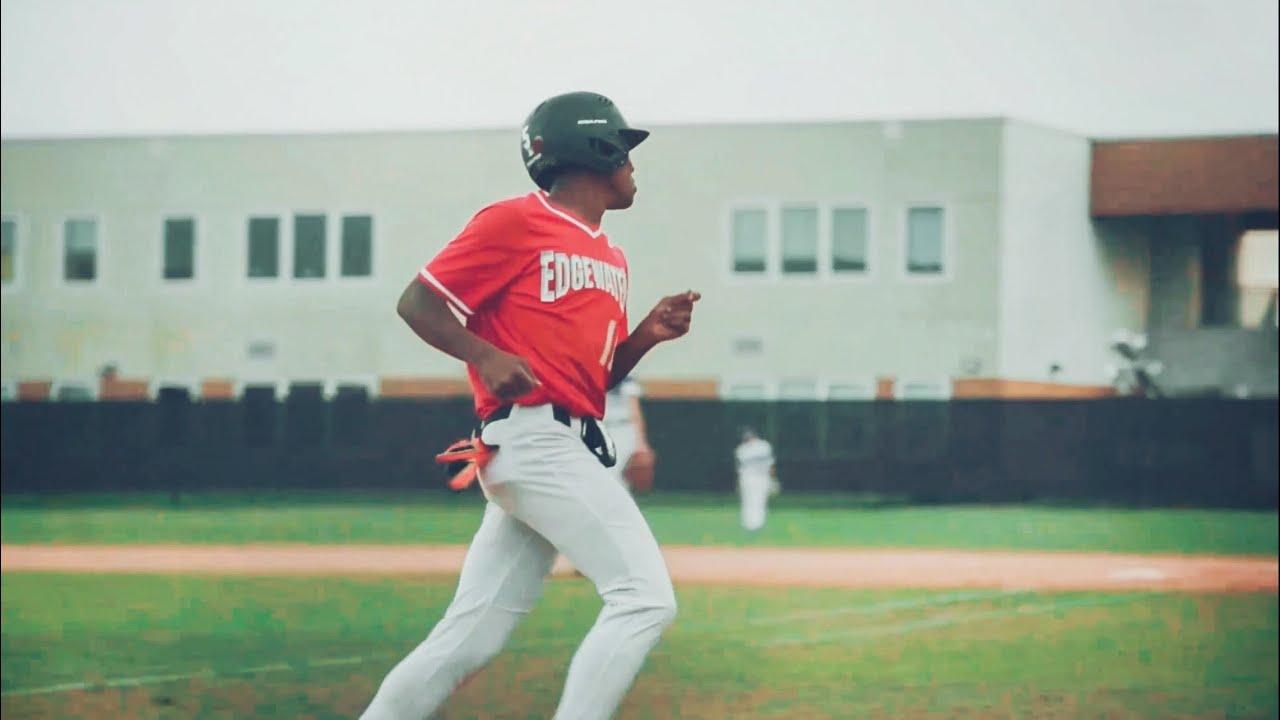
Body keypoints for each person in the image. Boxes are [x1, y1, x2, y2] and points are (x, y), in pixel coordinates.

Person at [360, 91, 701, 720]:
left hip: (565, 442)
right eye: (624, 148)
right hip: (533, 442)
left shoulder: (611, 255)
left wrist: (646, 334)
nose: (632, 163)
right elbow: (418, 303)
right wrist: (484, 355)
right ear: (592, 148)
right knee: (646, 599)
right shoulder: (513, 221)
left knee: (470, 636)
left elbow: (595, 382)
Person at [601, 374, 655, 491]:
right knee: (607, 473)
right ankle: (621, 505)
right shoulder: (590, 375)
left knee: (611, 471)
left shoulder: (627, 380)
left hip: (623, 429)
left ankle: (619, 505)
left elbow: (635, 413)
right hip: (600, 428)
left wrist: (641, 443)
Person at [734, 426, 776, 534]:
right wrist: (738, 484)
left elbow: (770, 464)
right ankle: (748, 524)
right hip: (747, 477)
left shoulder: (764, 446)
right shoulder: (741, 449)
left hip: (762, 477)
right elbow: (740, 470)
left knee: (760, 500)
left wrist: (772, 479)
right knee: (748, 500)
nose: (749, 439)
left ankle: (757, 524)